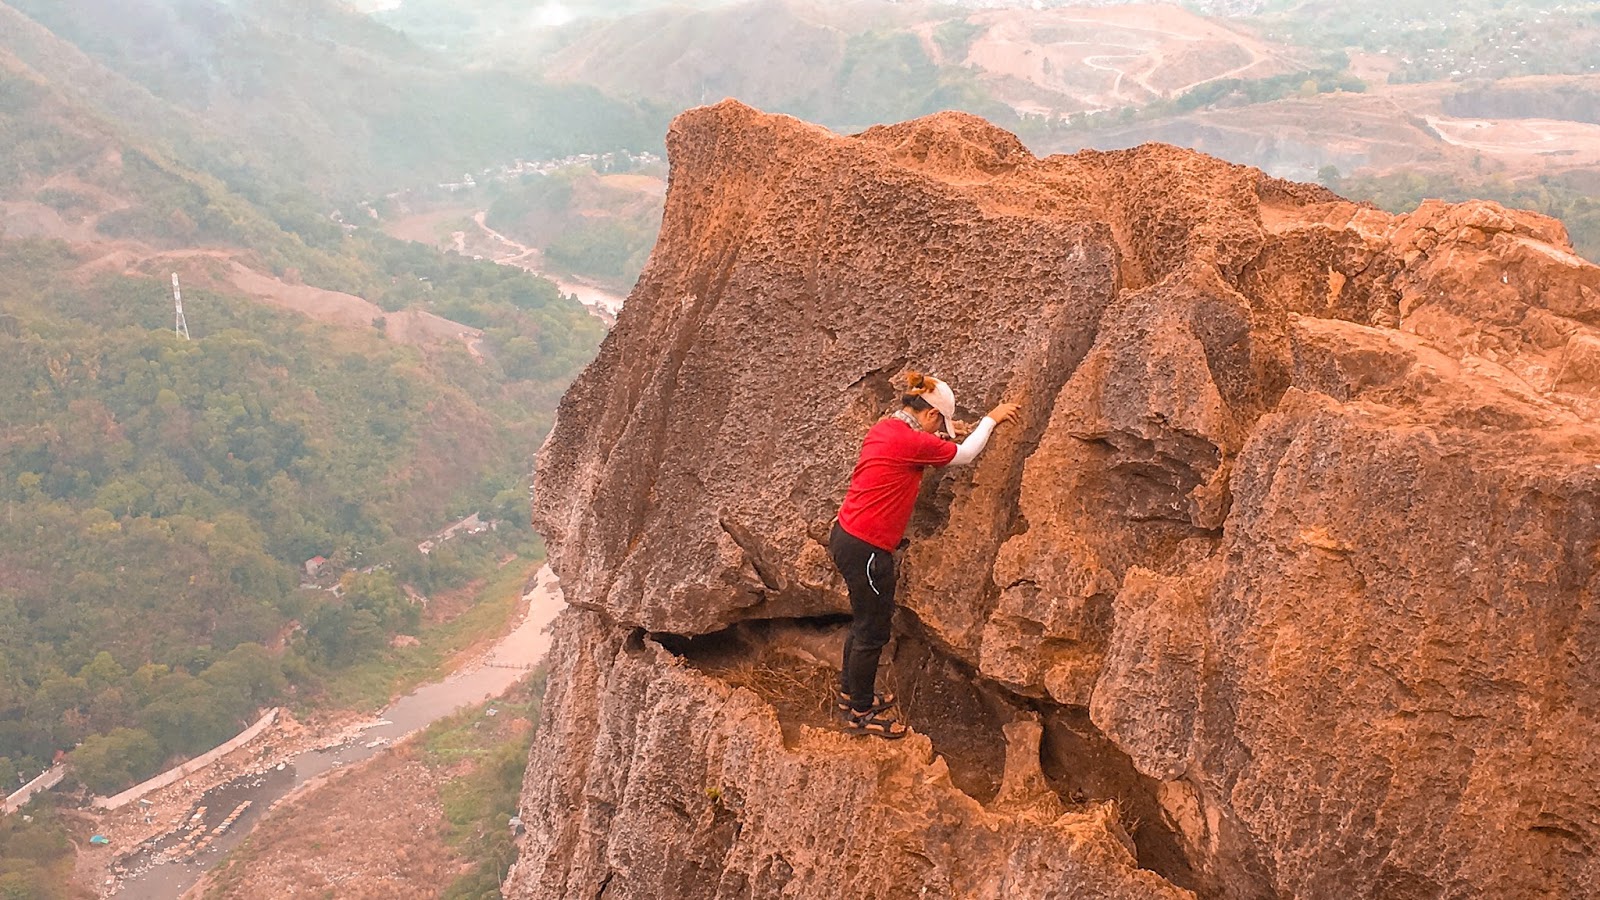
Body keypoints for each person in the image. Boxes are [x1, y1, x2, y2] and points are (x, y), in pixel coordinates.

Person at [829, 371, 1021, 739]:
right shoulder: (913, 442)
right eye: (940, 425)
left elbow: (930, 444)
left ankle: (850, 693)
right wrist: (990, 420)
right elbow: (963, 456)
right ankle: (861, 713)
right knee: (872, 630)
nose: (939, 432)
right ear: (932, 416)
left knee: (861, 620)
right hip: (869, 550)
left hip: (846, 534)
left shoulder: (887, 429)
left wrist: (945, 434)